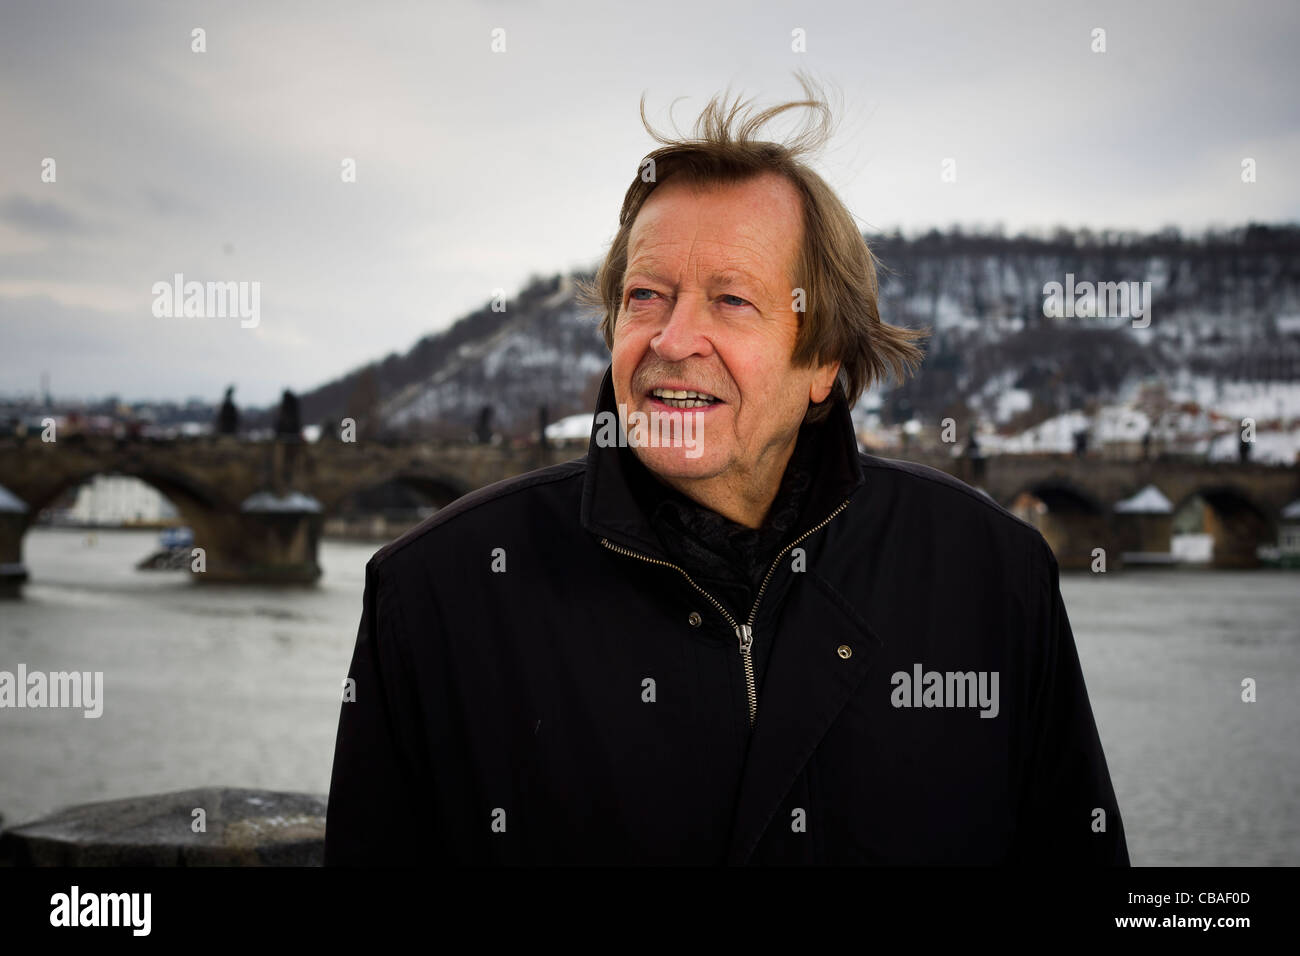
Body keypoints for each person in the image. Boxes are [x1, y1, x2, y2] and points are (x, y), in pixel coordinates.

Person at [325, 73, 1129, 866]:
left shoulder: (993, 577)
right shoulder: (437, 593)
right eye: (646, 296)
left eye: (731, 300)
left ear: (823, 361)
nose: (673, 340)